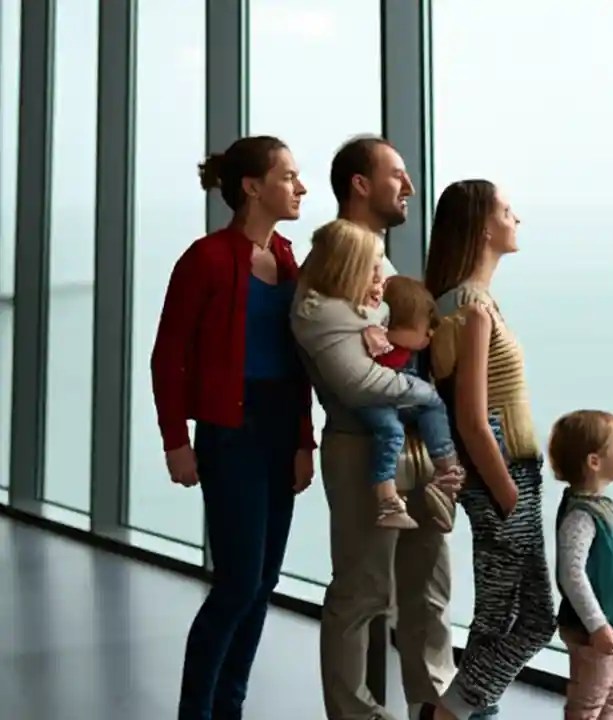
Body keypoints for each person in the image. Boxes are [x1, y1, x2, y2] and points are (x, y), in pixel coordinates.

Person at [291, 135, 462, 720]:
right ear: (361, 184)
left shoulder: (380, 265)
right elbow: (348, 377)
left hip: (410, 445)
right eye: (397, 174)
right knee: (362, 596)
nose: (409, 187)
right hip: (363, 447)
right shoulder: (332, 265)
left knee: (429, 593)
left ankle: (435, 706)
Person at [151, 135, 316, 720]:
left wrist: (304, 441)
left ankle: (230, 709)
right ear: (253, 187)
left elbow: (300, 361)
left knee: (262, 585)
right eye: (289, 176)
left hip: (279, 431)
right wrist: (175, 441)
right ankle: (195, 712)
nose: (300, 187)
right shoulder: (206, 258)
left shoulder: (292, 259)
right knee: (238, 584)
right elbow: (167, 356)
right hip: (230, 431)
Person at [426, 179, 556, 720]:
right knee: (534, 619)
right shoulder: (471, 310)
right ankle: (450, 713)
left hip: (505, 475)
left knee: (498, 614)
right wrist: (506, 492)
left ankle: (473, 711)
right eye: (507, 210)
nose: (516, 218)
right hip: (502, 476)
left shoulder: (466, 303)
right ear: (483, 226)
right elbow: (472, 420)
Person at [547, 410, 613, 720]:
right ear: (594, 461)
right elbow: (571, 574)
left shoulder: (601, 507)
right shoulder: (581, 515)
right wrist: (597, 625)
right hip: (598, 634)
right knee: (587, 705)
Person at [357, 273, 463, 531]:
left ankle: (446, 469)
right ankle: (387, 497)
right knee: (391, 432)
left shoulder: (414, 353)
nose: (429, 334)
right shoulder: (373, 341)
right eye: (424, 326)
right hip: (377, 403)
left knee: (433, 409)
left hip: (400, 402)